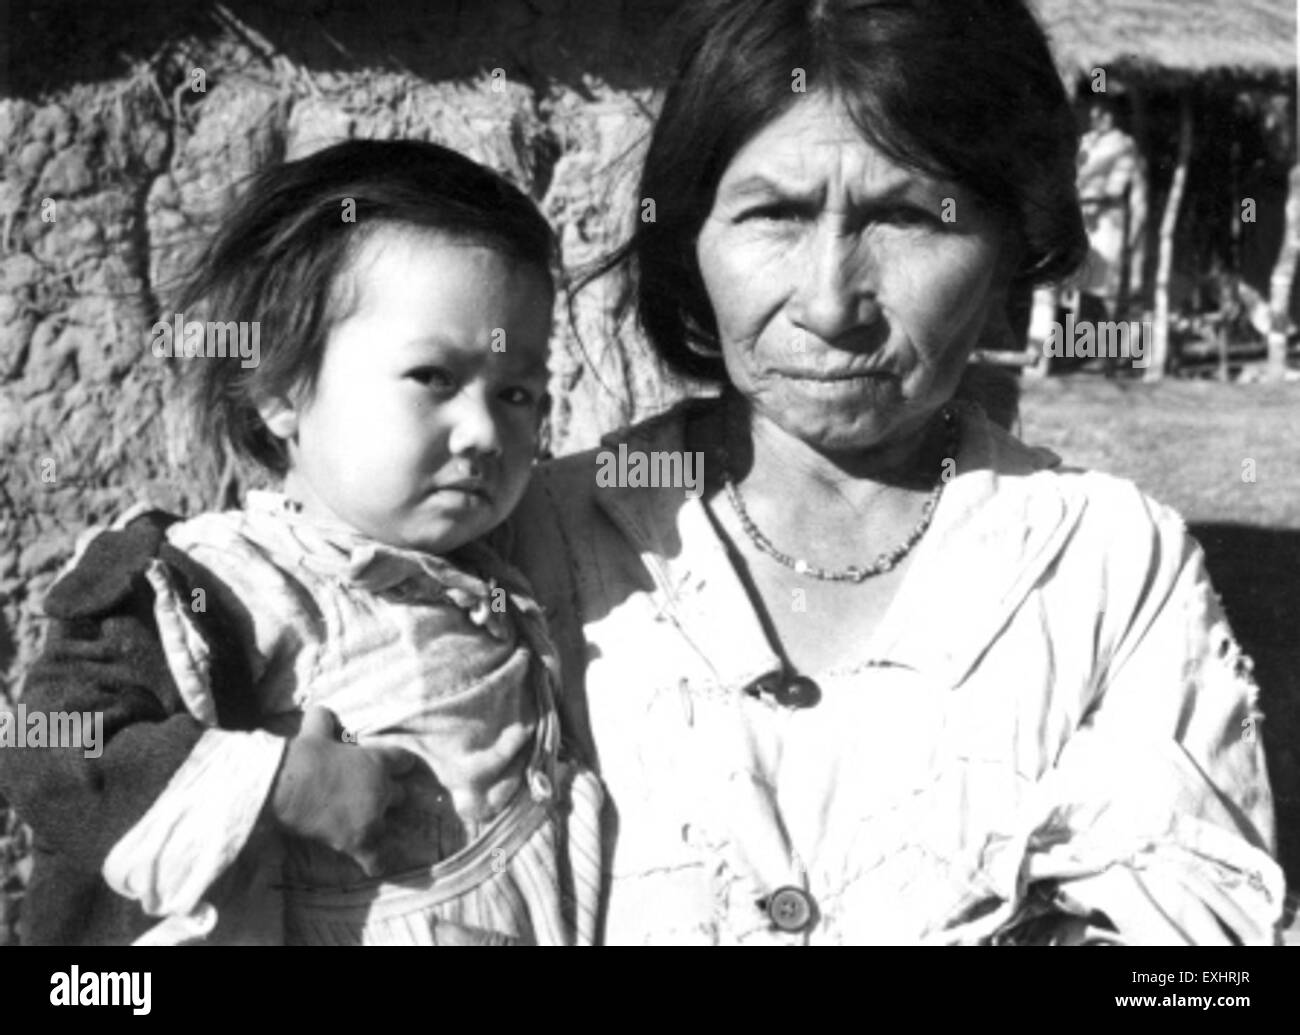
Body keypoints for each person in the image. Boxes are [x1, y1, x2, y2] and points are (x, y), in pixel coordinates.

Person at [2, 0, 1287, 946]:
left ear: (1015, 242)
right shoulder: (517, 542)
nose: (831, 303)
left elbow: (1212, 958)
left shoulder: (1107, 567)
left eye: (907, 217)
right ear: (693, 240)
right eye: (772, 215)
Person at [0, 139, 602, 945]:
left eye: (518, 392)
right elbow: (44, 746)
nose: (485, 430)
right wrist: (279, 781)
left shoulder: (504, 580)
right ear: (283, 391)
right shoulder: (219, 579)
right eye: (433, 378)